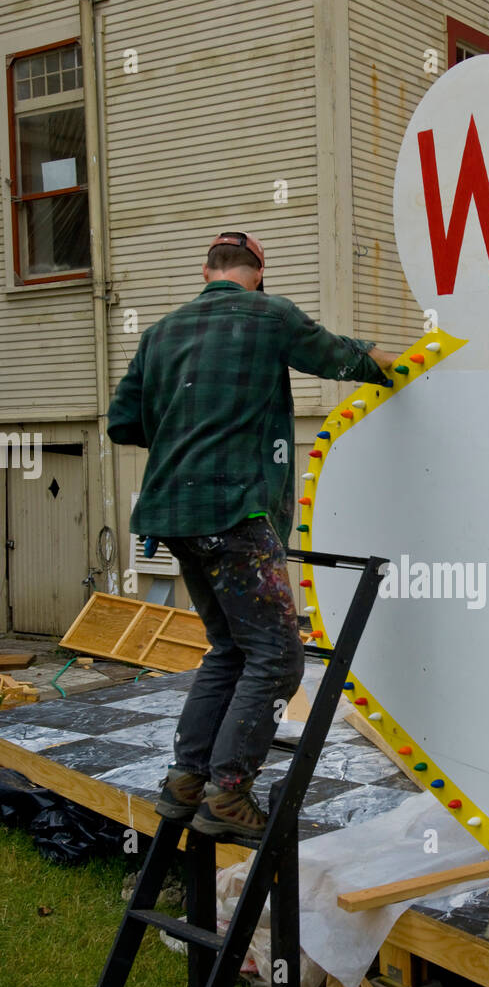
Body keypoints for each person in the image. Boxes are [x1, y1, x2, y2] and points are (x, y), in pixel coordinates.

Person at [107, 229, 397, 844]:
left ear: (205, 269)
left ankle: (188, 780)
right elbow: (336, 357)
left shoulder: (160, 332)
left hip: (173, 517)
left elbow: (123, 422)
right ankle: (228, 793)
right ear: (258, 272)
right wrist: (387, 362)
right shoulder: (269, 315)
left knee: (230, 648)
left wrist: (184, 433)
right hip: (236, 516)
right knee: (277, 657)